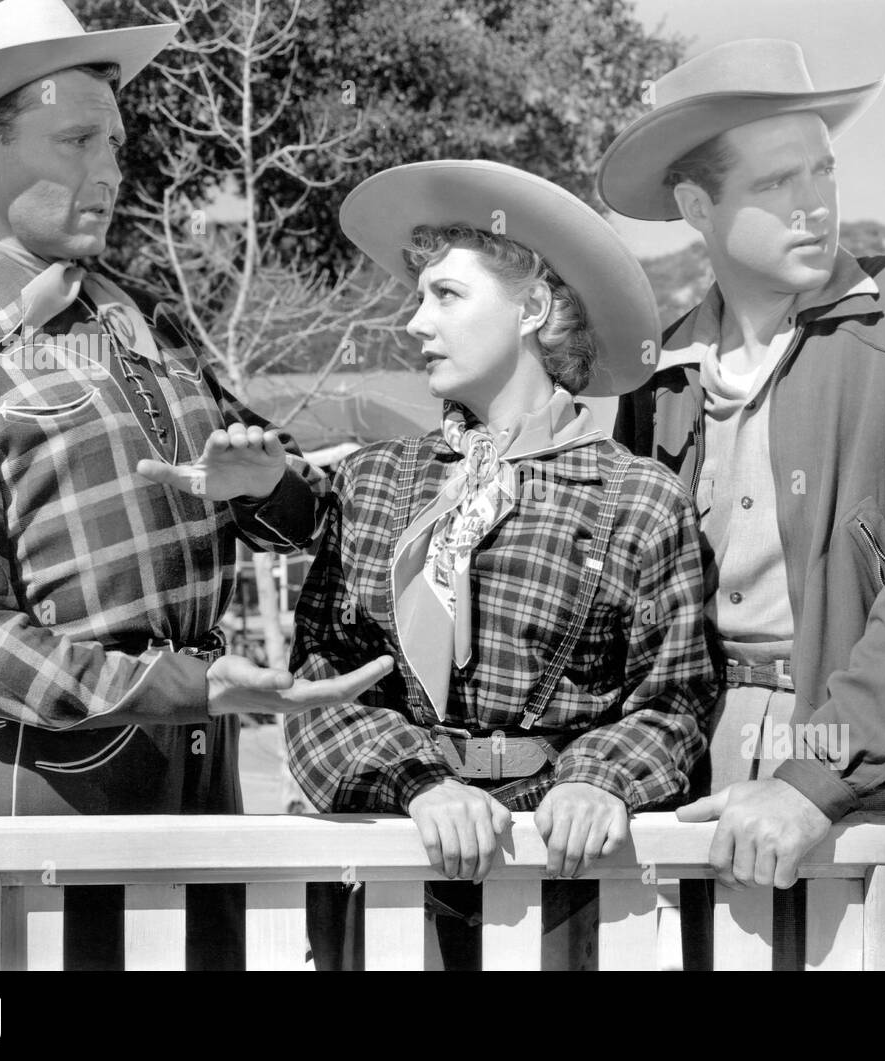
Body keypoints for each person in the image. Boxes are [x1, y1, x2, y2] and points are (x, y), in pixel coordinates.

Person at [0, 0, 391, 969]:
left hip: (204, 791)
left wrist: (266, 486)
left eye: (114, 141)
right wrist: (188, 682)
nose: (109, 169)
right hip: (56, 810)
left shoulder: (145, 323)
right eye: (75, 140)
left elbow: (290, 504)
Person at [597, 39, 885, 966]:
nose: (815, 202)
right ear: (698, 206)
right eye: (779, 181)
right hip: (683, 769)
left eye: (823, 169)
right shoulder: (655, 376)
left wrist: (811, 779)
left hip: (862, 768)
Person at [284, 160, 714, 969]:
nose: (414, 322)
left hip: (563, 889)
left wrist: (598, 778)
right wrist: (418, 783)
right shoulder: (373, 481)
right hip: (389, 878)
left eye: (446, 295)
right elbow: (318, 690)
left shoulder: (636, 496)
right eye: (418, 297)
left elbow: (677, 698)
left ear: (535, 308)